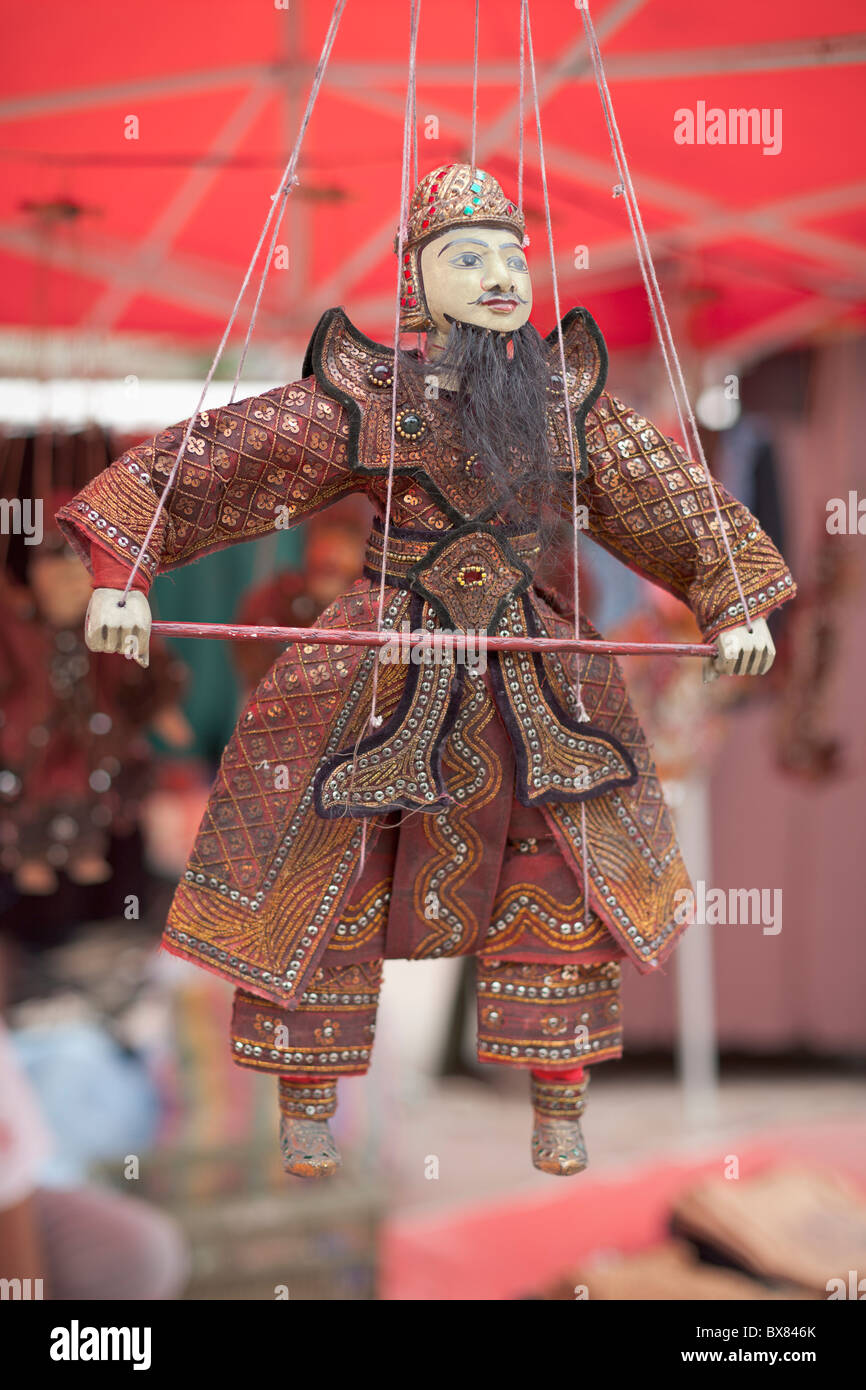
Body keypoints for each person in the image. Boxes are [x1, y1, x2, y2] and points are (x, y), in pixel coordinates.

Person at [57, 164, 796, 1178]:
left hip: (531, 669)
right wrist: (123, 568)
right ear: (415, 280)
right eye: (466, 256)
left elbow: (666, 502)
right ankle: (306, 1095)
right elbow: (221, 460)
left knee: (566, 868)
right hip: (382, 660)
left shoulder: (564, 403)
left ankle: (557, 1095)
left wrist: (733, 599)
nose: (497, 274)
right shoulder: (366, 397)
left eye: (510, 256)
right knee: (316, 859)